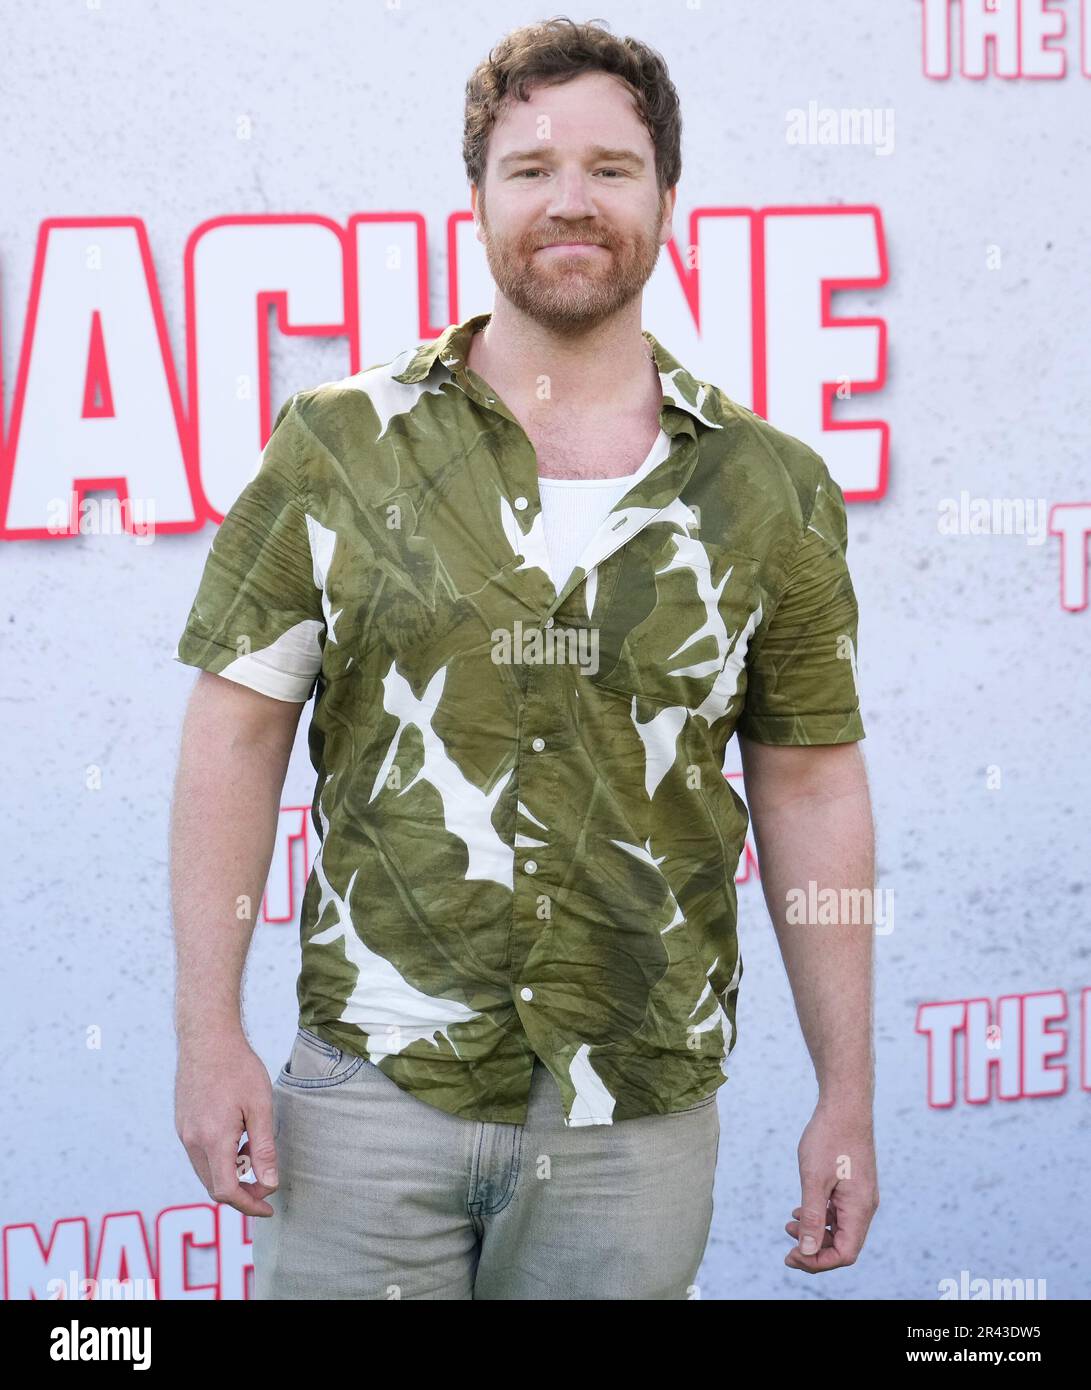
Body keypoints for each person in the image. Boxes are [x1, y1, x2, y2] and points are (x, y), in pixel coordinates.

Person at [170, 16, 878, 1300]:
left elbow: (812, 787)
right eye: (532, 167)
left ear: (666, 196)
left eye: (611, 168)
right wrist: (206, 1030)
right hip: (372, 1096)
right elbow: (232, 732)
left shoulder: (771, 490)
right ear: (478, 197)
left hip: (635, 1120)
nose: (572, 201)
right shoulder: (338, 444)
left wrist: (847, 1091)